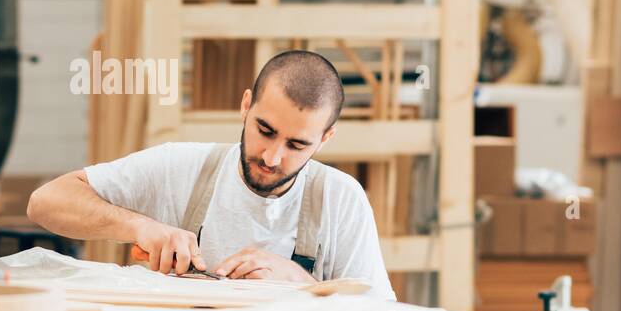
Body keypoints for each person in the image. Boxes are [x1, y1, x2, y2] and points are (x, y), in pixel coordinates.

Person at [28, 50, 394, 297]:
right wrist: (142, 227)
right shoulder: (180, 168)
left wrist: (301, 284)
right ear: (246, 105)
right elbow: (45, 203)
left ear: (325, 138)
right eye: (264, 130)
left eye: (297, 145)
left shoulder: (341, 199)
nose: (272, 156)